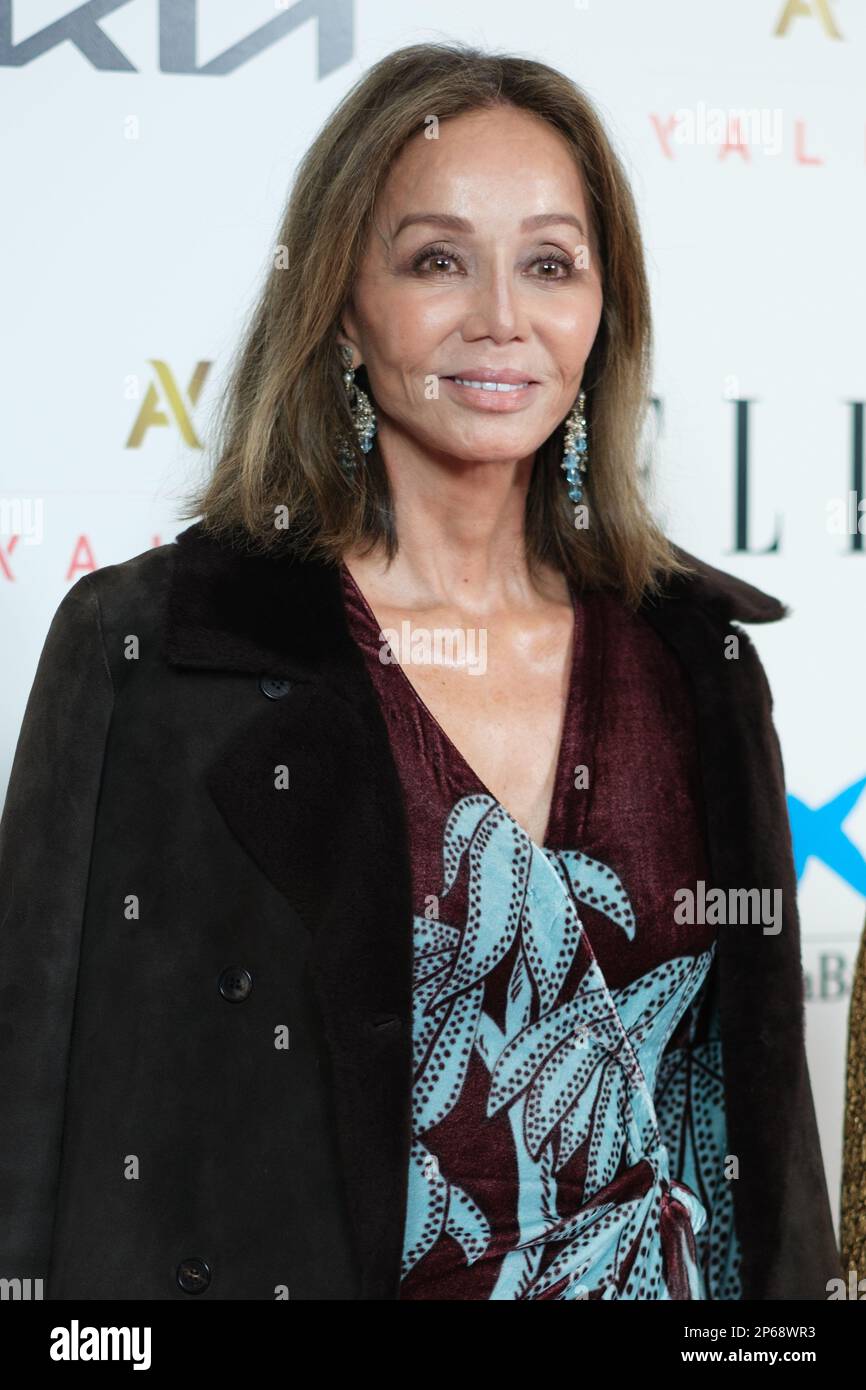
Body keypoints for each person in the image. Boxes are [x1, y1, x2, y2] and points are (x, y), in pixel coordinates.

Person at [0, 41, 841, 1300]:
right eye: (437, 259)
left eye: (549, 263)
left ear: (604, 311)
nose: (500, 315)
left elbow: (761, 1149)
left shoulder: (695, 664)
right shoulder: (155, 649)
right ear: (342, 304)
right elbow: (34, 1117)